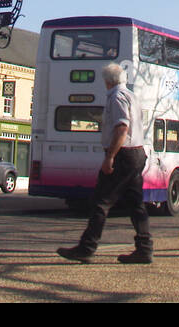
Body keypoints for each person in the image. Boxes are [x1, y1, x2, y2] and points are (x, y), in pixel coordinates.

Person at [58, 63, 152, 264]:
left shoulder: (116, 97)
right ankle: (144, 248)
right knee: (136, 203)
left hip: (123, 154)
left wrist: (110, 157)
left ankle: (87, 248)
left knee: (101, 201)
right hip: (137, 152)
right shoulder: (131, 96)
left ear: (108, 81)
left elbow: (122, 128)